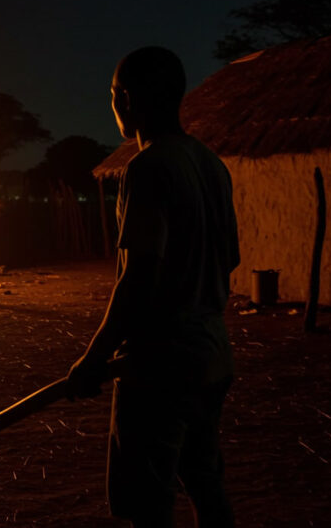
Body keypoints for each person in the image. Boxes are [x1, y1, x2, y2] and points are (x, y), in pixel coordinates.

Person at [66, 46, 240, 528]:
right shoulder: (210, 165)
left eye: (113, 95)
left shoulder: (147, 169)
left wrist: (95, 357)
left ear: (125, 99)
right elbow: (230, 260)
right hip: (211, 352)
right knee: (205, 481)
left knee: (148, 500)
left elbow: (138, 277)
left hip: (160, 365)